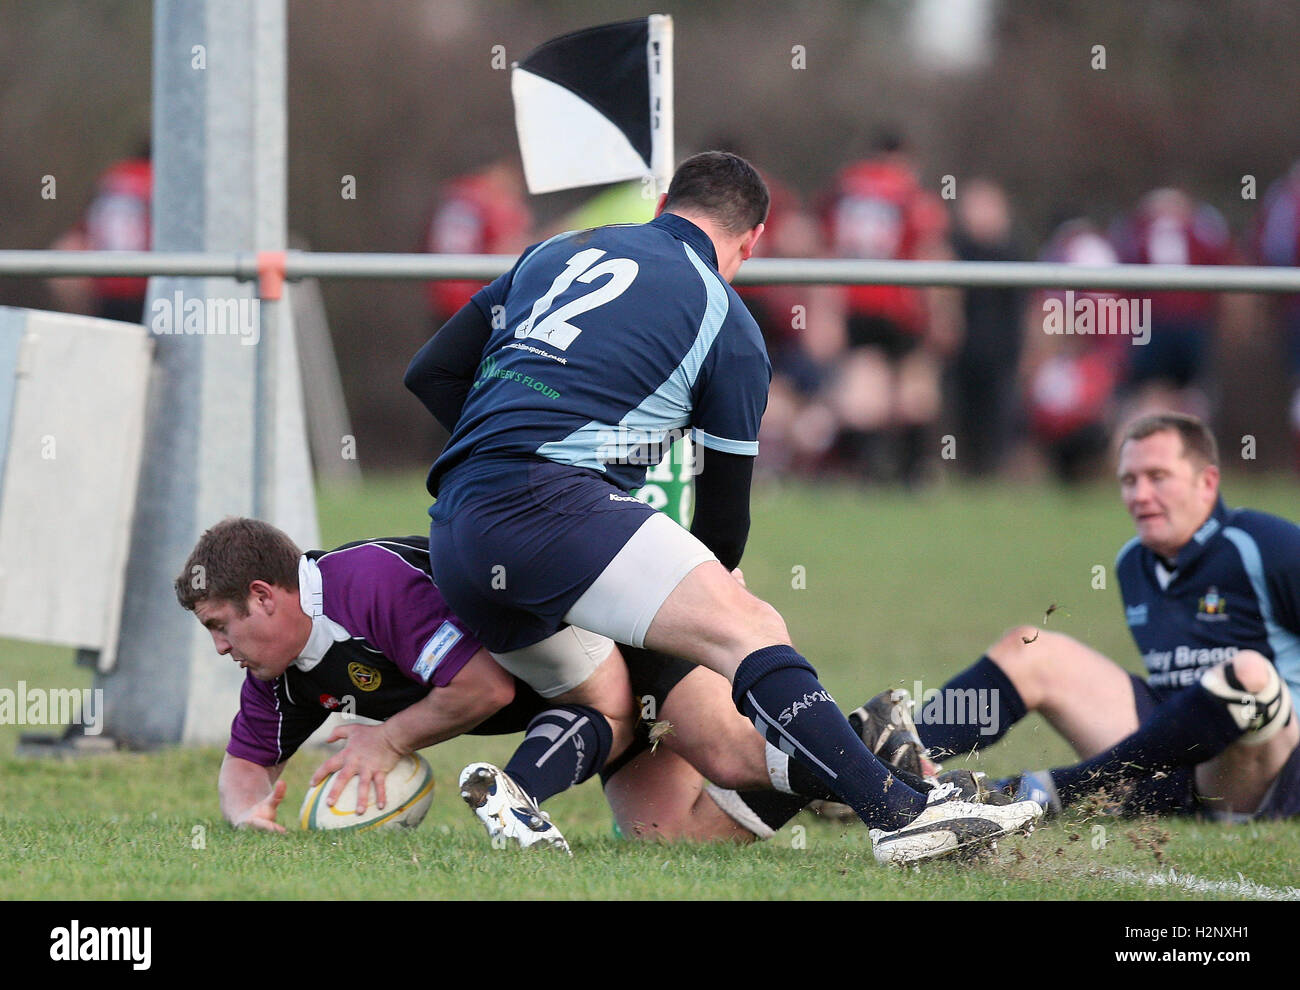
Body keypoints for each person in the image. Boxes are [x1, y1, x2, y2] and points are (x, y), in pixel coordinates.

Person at [405, 150, 1040, 862]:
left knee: (646, 778)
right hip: (553, 511)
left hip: (458, 529)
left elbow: (430, 371)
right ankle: (899, 814)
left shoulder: (555, 251)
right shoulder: (727, 320)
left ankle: (526, 796)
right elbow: (723, 525)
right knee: (750, 625)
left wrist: (510, 439)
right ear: (752, 241)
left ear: (663, 205)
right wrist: (705, 581)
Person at [173, 517, 967, 848]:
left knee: (732, 759)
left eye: (219, 626)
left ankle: (899, 777)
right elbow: (247, 765)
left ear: (266, 598)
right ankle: (866, 743)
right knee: (671, 835)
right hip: (561, 697)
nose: (219, 648)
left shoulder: (366, 588)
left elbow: (481, 687)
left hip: (606, 634)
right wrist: (249, 818)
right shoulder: (280, 668)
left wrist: (391, 737)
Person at [915, 412, 1299, 820]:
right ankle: (885, 772)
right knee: (1029, 647)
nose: (1140, 495)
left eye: (1158, 477)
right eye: (1129, 481)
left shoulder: (1266, 546)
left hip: (1265, 773)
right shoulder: (1133, 561)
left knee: (1248, 675)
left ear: (1206, 482)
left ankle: (1060, 788)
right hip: (1168, 762)